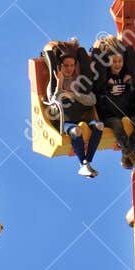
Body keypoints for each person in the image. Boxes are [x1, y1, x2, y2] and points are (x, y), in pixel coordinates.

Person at [46, 46, 103, 178]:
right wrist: (60, 85)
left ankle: (86, 163)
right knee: (76, 130)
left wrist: (74, 95)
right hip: (64, 122)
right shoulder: (53, 83)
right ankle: (84, 164)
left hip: (79, 117)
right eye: (66, 66)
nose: (69, 69)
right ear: (60, 66)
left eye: (72, 65)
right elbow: (53, 105)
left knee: (99, 125)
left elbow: (92, 100)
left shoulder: (79, 81)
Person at [93, 38, 135, 170]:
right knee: (117, 124)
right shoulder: (105, 78)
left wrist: (130, 85)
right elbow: (100, 94)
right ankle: (131, 154)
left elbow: (131, 98)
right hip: (109, 116)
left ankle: (125, 153)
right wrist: (97, 48)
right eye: (114, 62)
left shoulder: (126, 76)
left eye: (119, 61)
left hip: (125, 112)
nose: (117, 64)